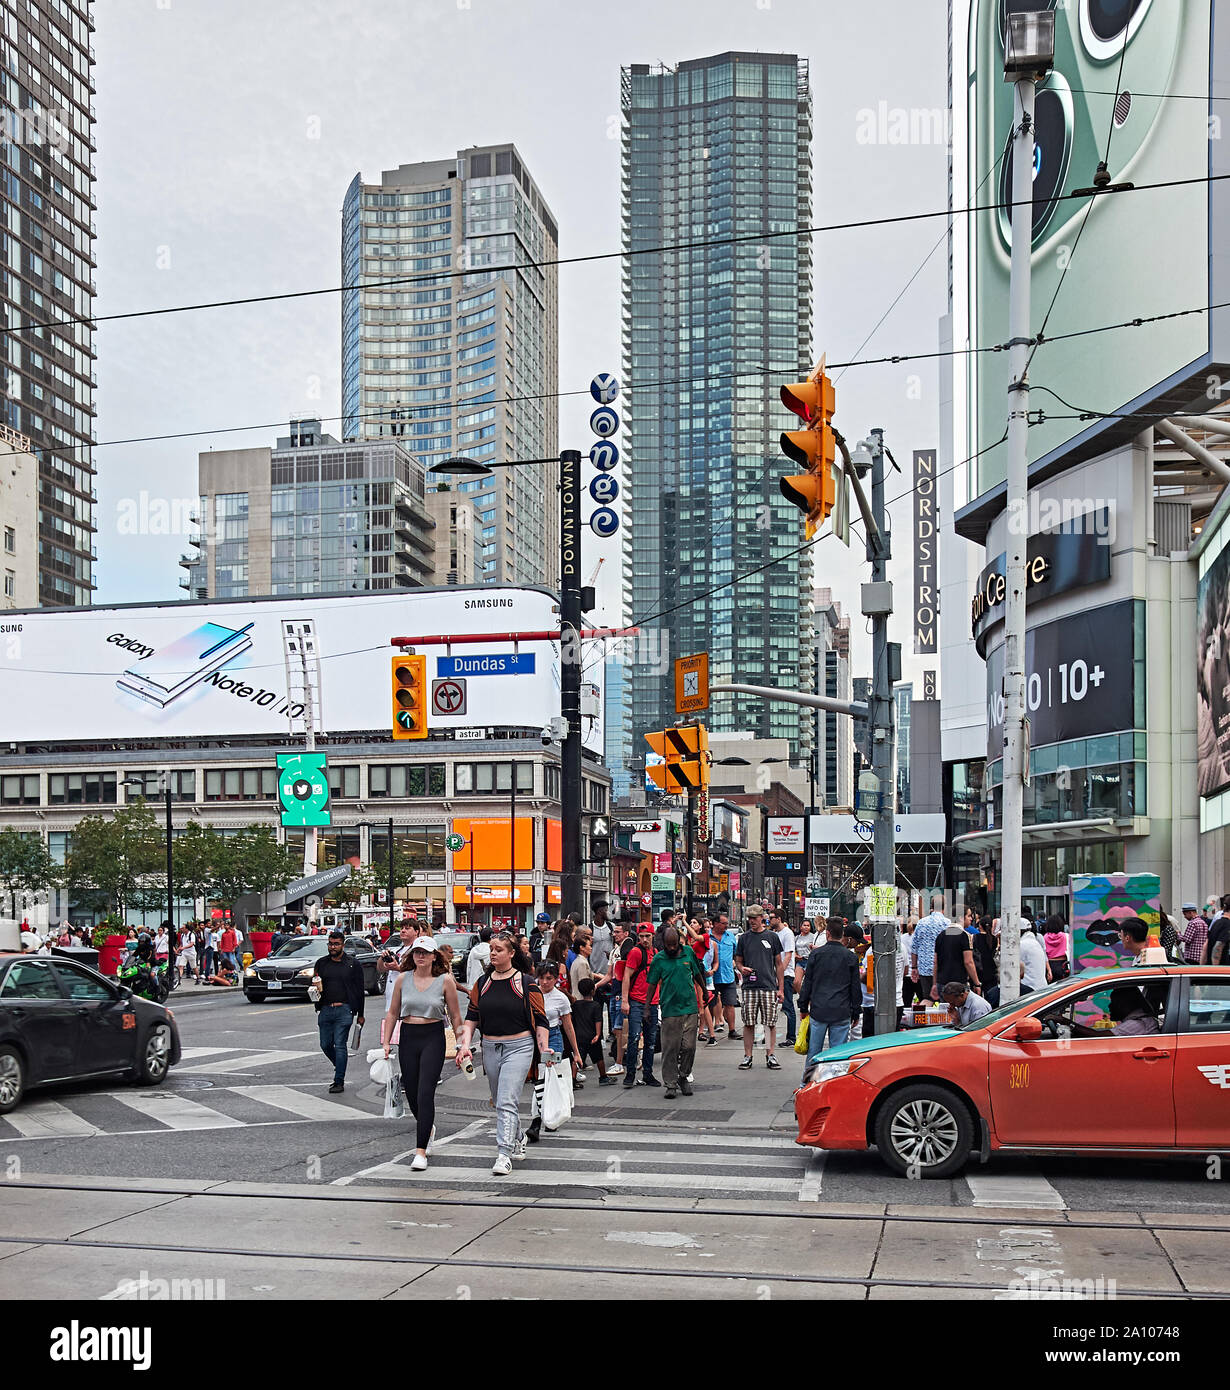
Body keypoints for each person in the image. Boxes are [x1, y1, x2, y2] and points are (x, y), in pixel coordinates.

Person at [459, 933, 548, 1175]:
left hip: (519, 1046)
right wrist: (465, 1044)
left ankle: (503, 1153)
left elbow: (541, 1020)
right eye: (491, 949)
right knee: (500, 1102)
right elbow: (472, 1017)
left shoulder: (526, 982)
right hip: (490, 1046)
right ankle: (518, 1136)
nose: (493, 953)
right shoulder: (482, 983)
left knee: (507, 1100)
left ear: (511, 954)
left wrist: (545, 1050)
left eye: (499, 949)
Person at [383, 936, 468, 1171]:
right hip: (408, 1035)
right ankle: (427, 1126)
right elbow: (392, 1013)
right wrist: (387, 1041)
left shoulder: (444, 981)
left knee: (424, 1092)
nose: (420, 956)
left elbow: (455, 1015)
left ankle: (420, 1151)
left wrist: (462, 1043)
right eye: (417, 952)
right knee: (410, 1090)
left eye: (425, 952)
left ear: (433, 956)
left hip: (433, 1036)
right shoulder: (402, 979)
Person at [647, 925, 707, 1099]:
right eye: (668, 945)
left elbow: (697, 974)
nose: (672, 948)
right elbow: (652, 984)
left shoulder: (688, 952)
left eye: (674, 944)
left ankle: (683, 1076)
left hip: (689, 1007)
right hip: (670, 1009)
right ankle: (670, 1084)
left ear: (679, 942)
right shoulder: (659, 959)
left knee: (689, 1047)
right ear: (664, 943)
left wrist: (705, 992)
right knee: (670, 1049)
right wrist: (647, 1007)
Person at [528, 961, 582, 1140]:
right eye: (542, 978)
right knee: (541, 1078)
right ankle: (545, 1116)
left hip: (554, 1038)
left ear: (556, 979)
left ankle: (539, 1120)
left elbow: (568, 1026)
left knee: (548, 1078)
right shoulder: (531, 993)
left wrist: (576, 1052)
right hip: (534, 1037)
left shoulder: (561, 998)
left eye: (549, 978)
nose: (544, 982)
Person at [797, 918, 861, 1059]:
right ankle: (835, 1079)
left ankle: (809, 1080)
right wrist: (856, 1011)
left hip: (819, 1009)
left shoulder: (816, 954)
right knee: (838, 1054)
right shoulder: (850, 957)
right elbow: (855, 987)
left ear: (827, 934)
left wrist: (803, 1006)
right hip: (841, 1010)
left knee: (814, 1051)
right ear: (842, 934)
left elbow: (808, 983)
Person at [313, 929, 365, 1094]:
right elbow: (315, 983)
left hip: (345, 1009)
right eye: (330, 943)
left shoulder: (352, 964)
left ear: (343, 945)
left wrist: (361, 1014)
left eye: (336, 944)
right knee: (325, 1044)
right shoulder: (321, 963)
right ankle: (340, 1065)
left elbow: (359, 989)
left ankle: (338, 1081)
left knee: (340, 1044)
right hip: (326, 1009)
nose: (332, 947)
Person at [733, 905, 784, 1071]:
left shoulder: (772, 937)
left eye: (754, 918)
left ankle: (770, 1055)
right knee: (748, 1023)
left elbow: (779, 964)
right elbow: (738, 961)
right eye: (749, 918)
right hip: (749, 987)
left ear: (762, 917)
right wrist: (741, 969)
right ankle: (748, 1055)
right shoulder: (744, 938)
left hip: (769, 986)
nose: (751, 921)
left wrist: (780, 988)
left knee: (770, 1023)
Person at [621, 922, 661, 1088]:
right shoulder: (636, 952)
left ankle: (647, 1074)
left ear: (653, 936)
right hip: (637, 1001)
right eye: (642, 936)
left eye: (647, 936)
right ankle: (630, 1074)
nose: (644, 939)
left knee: (650, 1040)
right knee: (634, 1038)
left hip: (651, 1002)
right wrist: (624, 1000)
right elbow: (626, 976)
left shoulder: (656, 953)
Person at [571, 977, 611, 1085]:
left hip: (579, 1037)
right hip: (592, 1036)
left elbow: (573, 1020)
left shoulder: (576, 1005)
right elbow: (598, 1021)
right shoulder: (596, 1005)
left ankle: (573, 1079)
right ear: (593, 991)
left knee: (577, 1058)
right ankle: (603, 1077)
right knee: (599, 1058)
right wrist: (598, 1034)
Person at [910, 894, 949, 1002]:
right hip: (942, 969)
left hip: (924, 968)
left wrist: (914, 967)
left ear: (931, 906)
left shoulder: (922, 923)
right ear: (944, 906)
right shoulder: (947, 923)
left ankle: (923, 1018)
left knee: (927, 998)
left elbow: (914, 947)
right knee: (944, 1001)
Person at [934, 918, 981, 995]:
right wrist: (977, 983)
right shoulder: (964, 935)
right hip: (959, 983)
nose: (971, 919)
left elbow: (935, 962)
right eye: (968, 916)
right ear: (961, 918)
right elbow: (968, 962)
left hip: (942, 982)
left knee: (946, 1006)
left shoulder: (941, 935)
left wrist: (934, 984)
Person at [711, 916, 739, 1040]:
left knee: (730, 1003)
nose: (726, 926)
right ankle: (710, 1029)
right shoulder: (708, 937)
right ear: (715, 924)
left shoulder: (730, 937)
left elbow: (737, 953)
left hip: (728, 975)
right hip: (711, 976)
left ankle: (732, 1030)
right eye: (723, 923)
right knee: (710, 1003)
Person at [774, 912, 797, 1046]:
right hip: (777, 974)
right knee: (770, 1007)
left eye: (772, 917)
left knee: (788, 1006)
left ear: (779, 919)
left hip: (786, 975)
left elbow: (788, 955)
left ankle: (791, 1037)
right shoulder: (776, 934)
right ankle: (768, 1035)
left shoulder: (787, 933)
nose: (769, 920)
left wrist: (780, 974)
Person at [1019, 920, 1050, 991]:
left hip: (1030, 987)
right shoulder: (1035, 942)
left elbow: (1010, 964)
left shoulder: (1022, 944)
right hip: (1041, 986)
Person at [589, 900, 613, 977]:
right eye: (606, 910)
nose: (608, 913)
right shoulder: (589, 928)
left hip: (610, 972)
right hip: (595, 973)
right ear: (600, 911)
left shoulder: (612, 927)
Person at [1042, 915, 1070, 981]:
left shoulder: (1045, 937)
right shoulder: (1066, 936)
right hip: (1063, 965)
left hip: (1049, 965)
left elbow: (1044, 954)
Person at [465, 925, 493, 991]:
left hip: (474, 985)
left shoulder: (473, 950)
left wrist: (469, 984)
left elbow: (469, 968)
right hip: (488, 985)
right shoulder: (492, 951)